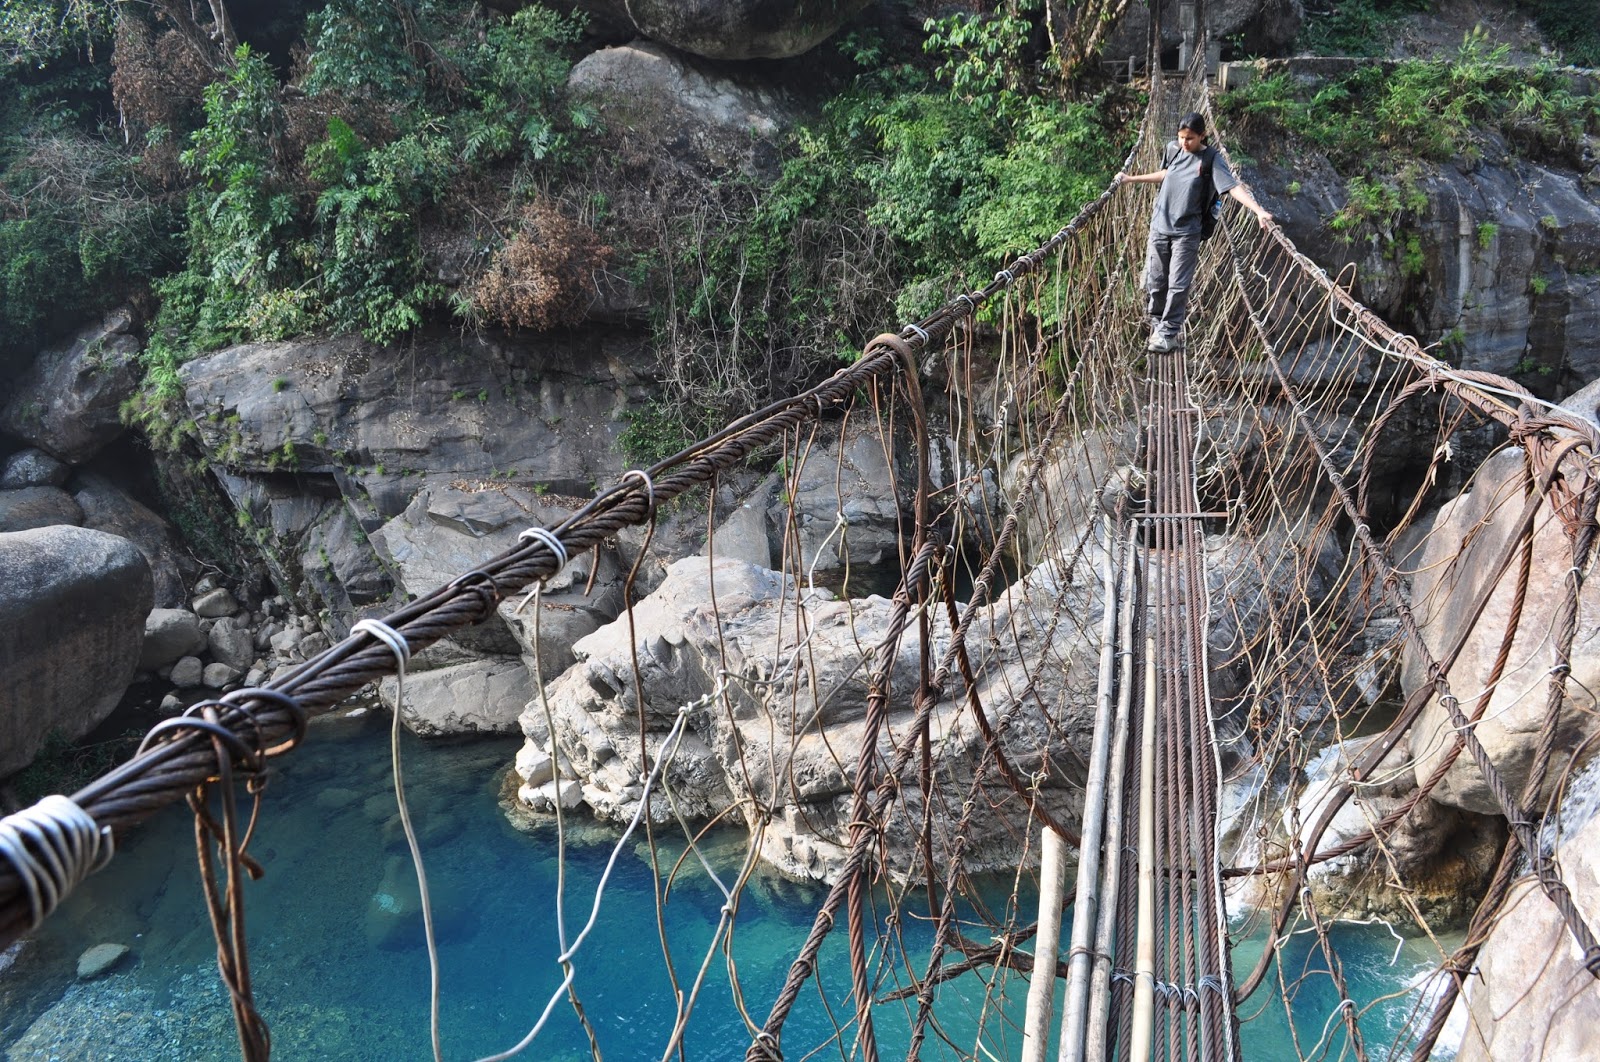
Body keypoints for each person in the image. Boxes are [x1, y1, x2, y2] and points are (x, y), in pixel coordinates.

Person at [1118, 111, 1273, 353]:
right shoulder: (1173, 149)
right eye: (1181, 137)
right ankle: (1158, 325)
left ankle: (1168, 333)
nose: (1184, 143)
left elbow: (1232, 188)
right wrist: (1130, 179)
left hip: (1187, 231)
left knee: (1178, 283)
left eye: (1190, 138)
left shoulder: (1211, 159)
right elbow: (1166, 174)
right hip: (1160, 225)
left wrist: (1258, 211)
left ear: (1202, 136)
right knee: (1156, 281)